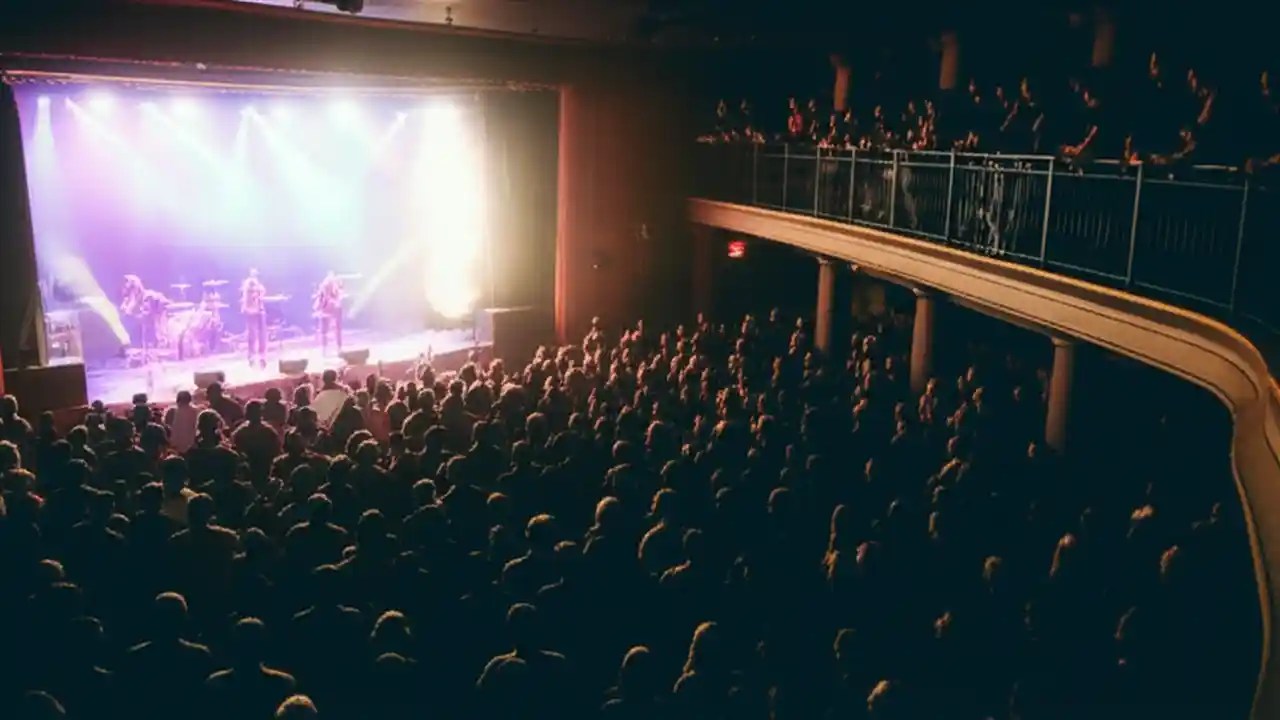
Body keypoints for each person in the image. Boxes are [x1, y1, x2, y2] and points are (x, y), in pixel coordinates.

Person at [241, 268, 268, 368]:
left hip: (259, 311)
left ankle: (262, 357)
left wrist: (260, 295)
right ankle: (252, 357)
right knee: (252, 336)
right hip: (251, 311)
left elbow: (262, 293)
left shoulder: (258, 284)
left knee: (262, 335)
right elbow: (249, 296)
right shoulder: (249, 284)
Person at [313, 271, 345, 354]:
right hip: (326, 308)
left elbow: (339, 294)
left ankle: (336, 348)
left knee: (336, 329)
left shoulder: (336, 283)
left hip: (332, 308)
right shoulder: (326, 284)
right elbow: (322, 297)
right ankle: (326, 349)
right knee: (325, 330)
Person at [164, 390, 201, 454]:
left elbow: (166, 427)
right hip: (191, 447)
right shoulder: (195, 411)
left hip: (175, 447)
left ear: (178, 400)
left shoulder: (172, 411)